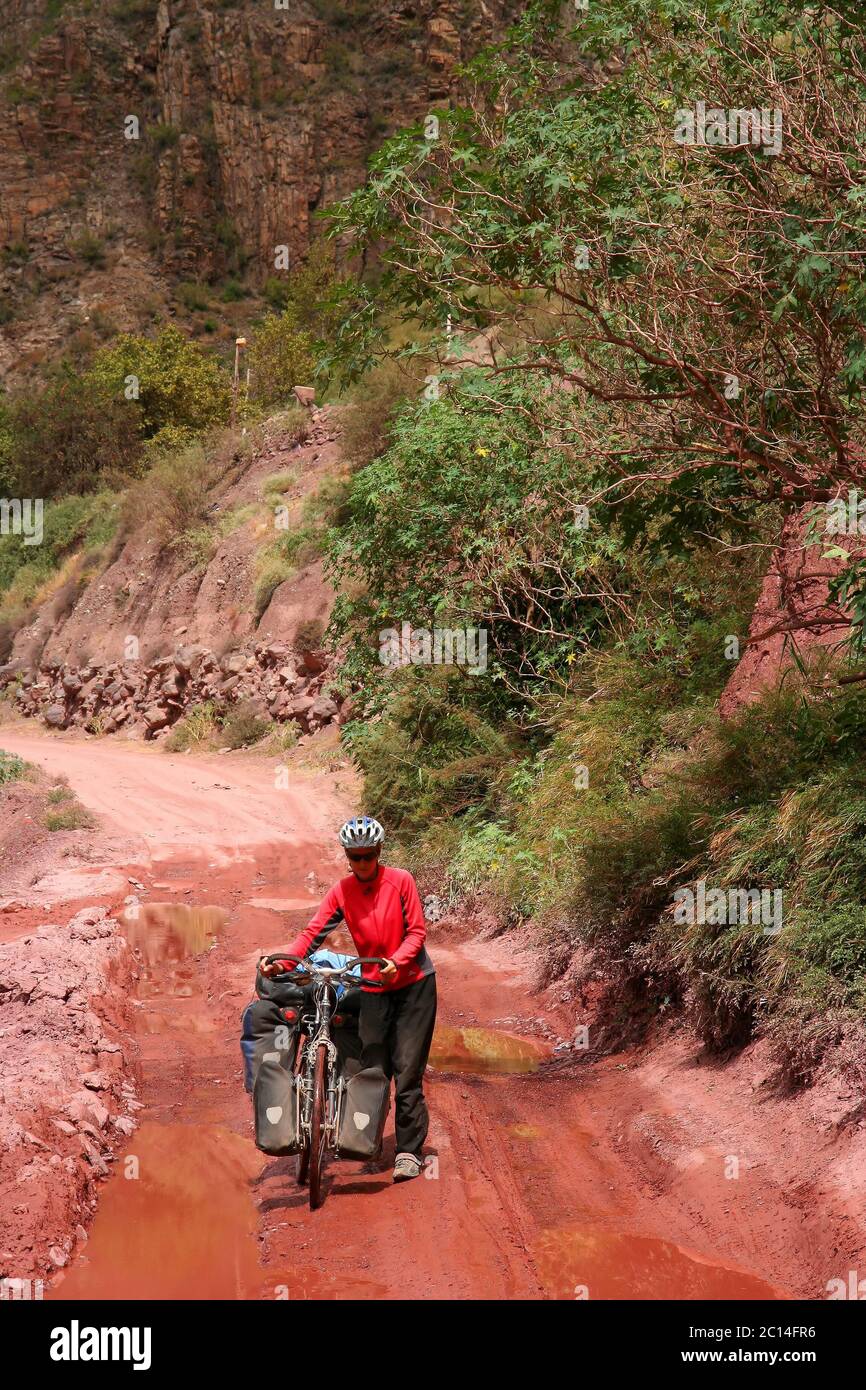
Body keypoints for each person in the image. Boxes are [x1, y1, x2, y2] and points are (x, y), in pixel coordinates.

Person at [259, 816, 437, 1183]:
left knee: (406, 1070)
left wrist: (397, 961)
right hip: (372, 985)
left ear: (379, 852)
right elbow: (314, 932)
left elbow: (417, 931)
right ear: (347, 857)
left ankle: (408, 1152)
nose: (362, 864)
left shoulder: (401, 881)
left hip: (413, 985)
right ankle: (364, 1138)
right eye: (355, 858)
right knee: (371, 1067)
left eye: (368, 856)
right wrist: (284, 962)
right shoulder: (342, 891)